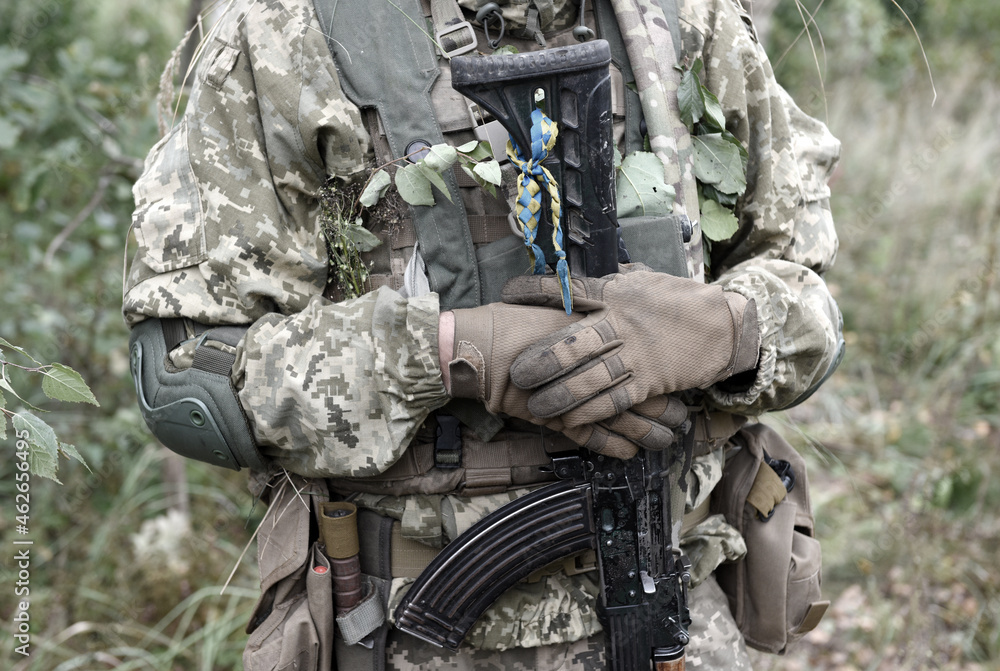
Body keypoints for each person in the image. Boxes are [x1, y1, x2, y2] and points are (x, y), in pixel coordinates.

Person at [123, 0, 843, 668]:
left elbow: (807, 291)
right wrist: (450, 353)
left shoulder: (686, 19)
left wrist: (728, 329)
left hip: (681, 607)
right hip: (407, 625)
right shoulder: (291, 31)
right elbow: (189, 377)